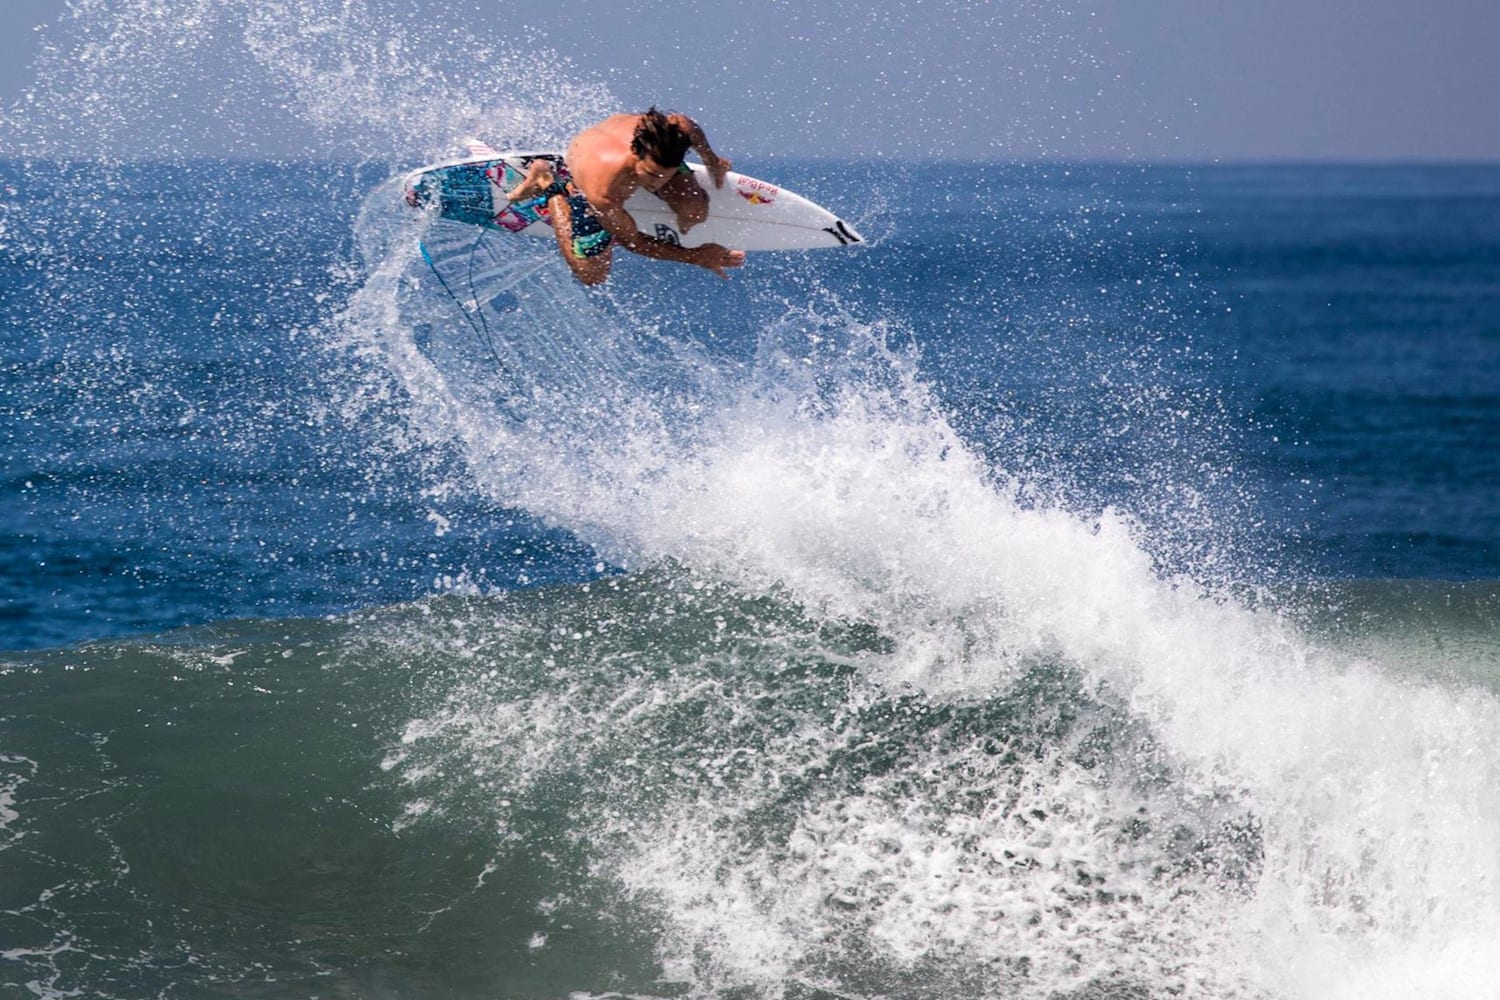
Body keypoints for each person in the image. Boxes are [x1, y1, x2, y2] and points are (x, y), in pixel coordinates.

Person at [504, 108, 746, 286]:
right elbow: (634, 242)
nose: (657, 183)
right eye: (651, 175)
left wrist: (712, 161)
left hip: (636, 153)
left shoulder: (675, 132)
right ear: (635, 154)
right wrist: (697, 256)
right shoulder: (603, 191)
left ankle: (664, 175)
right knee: (591, 275)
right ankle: (546, 182)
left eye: (665, 176)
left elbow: (688, 126)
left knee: (695, 211)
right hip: (582, 179)